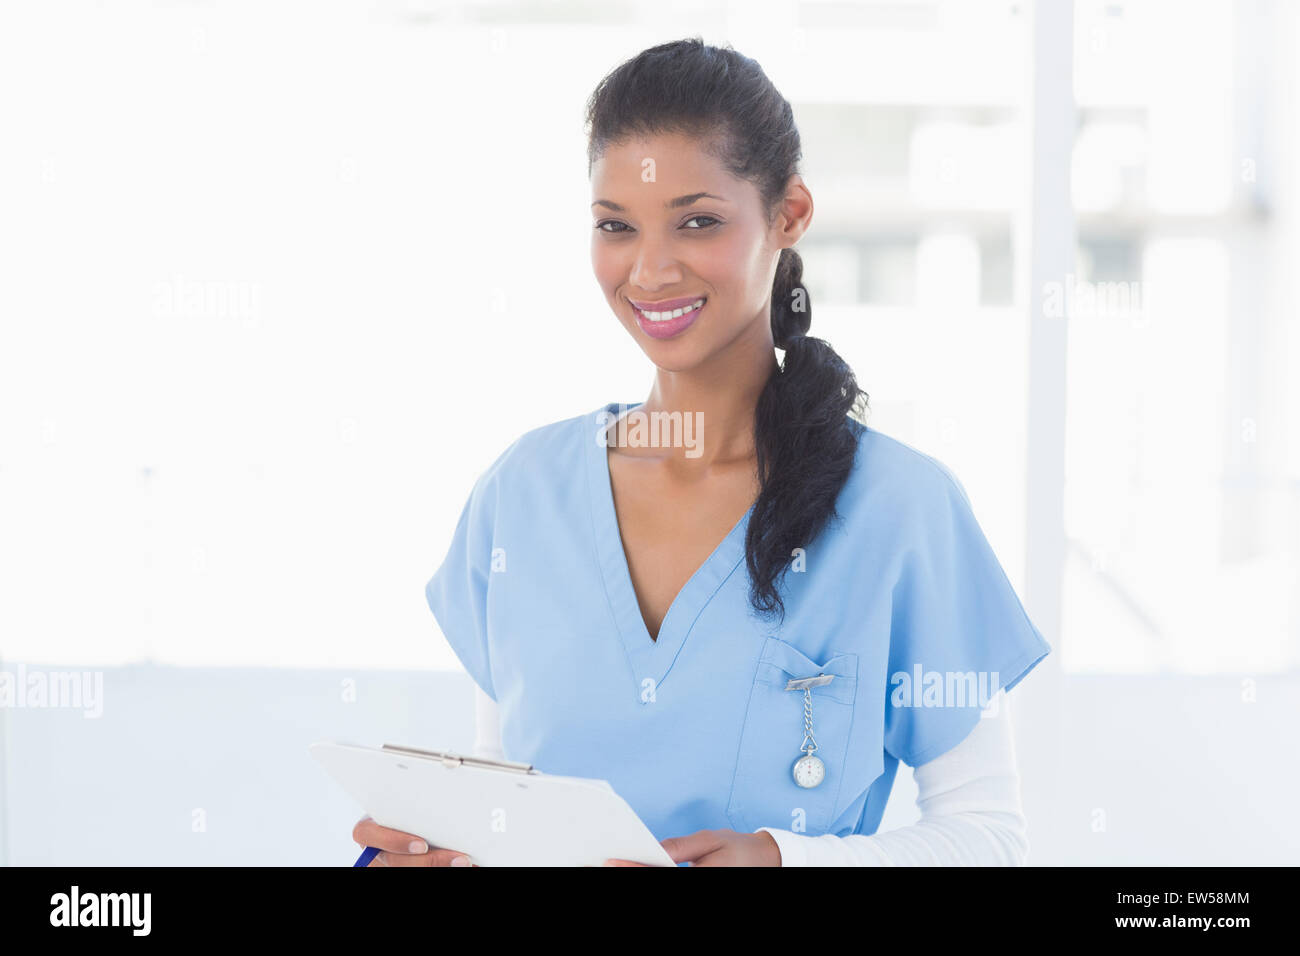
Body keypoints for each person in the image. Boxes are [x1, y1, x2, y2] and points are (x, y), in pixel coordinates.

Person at [352, 37, 1050, 867]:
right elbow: (509, 804)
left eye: (697, 222)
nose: (649, 271)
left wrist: (786, 860)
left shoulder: (903, 509)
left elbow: (991, 840)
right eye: (616, 226)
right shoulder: (522, 495)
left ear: (788, 215)